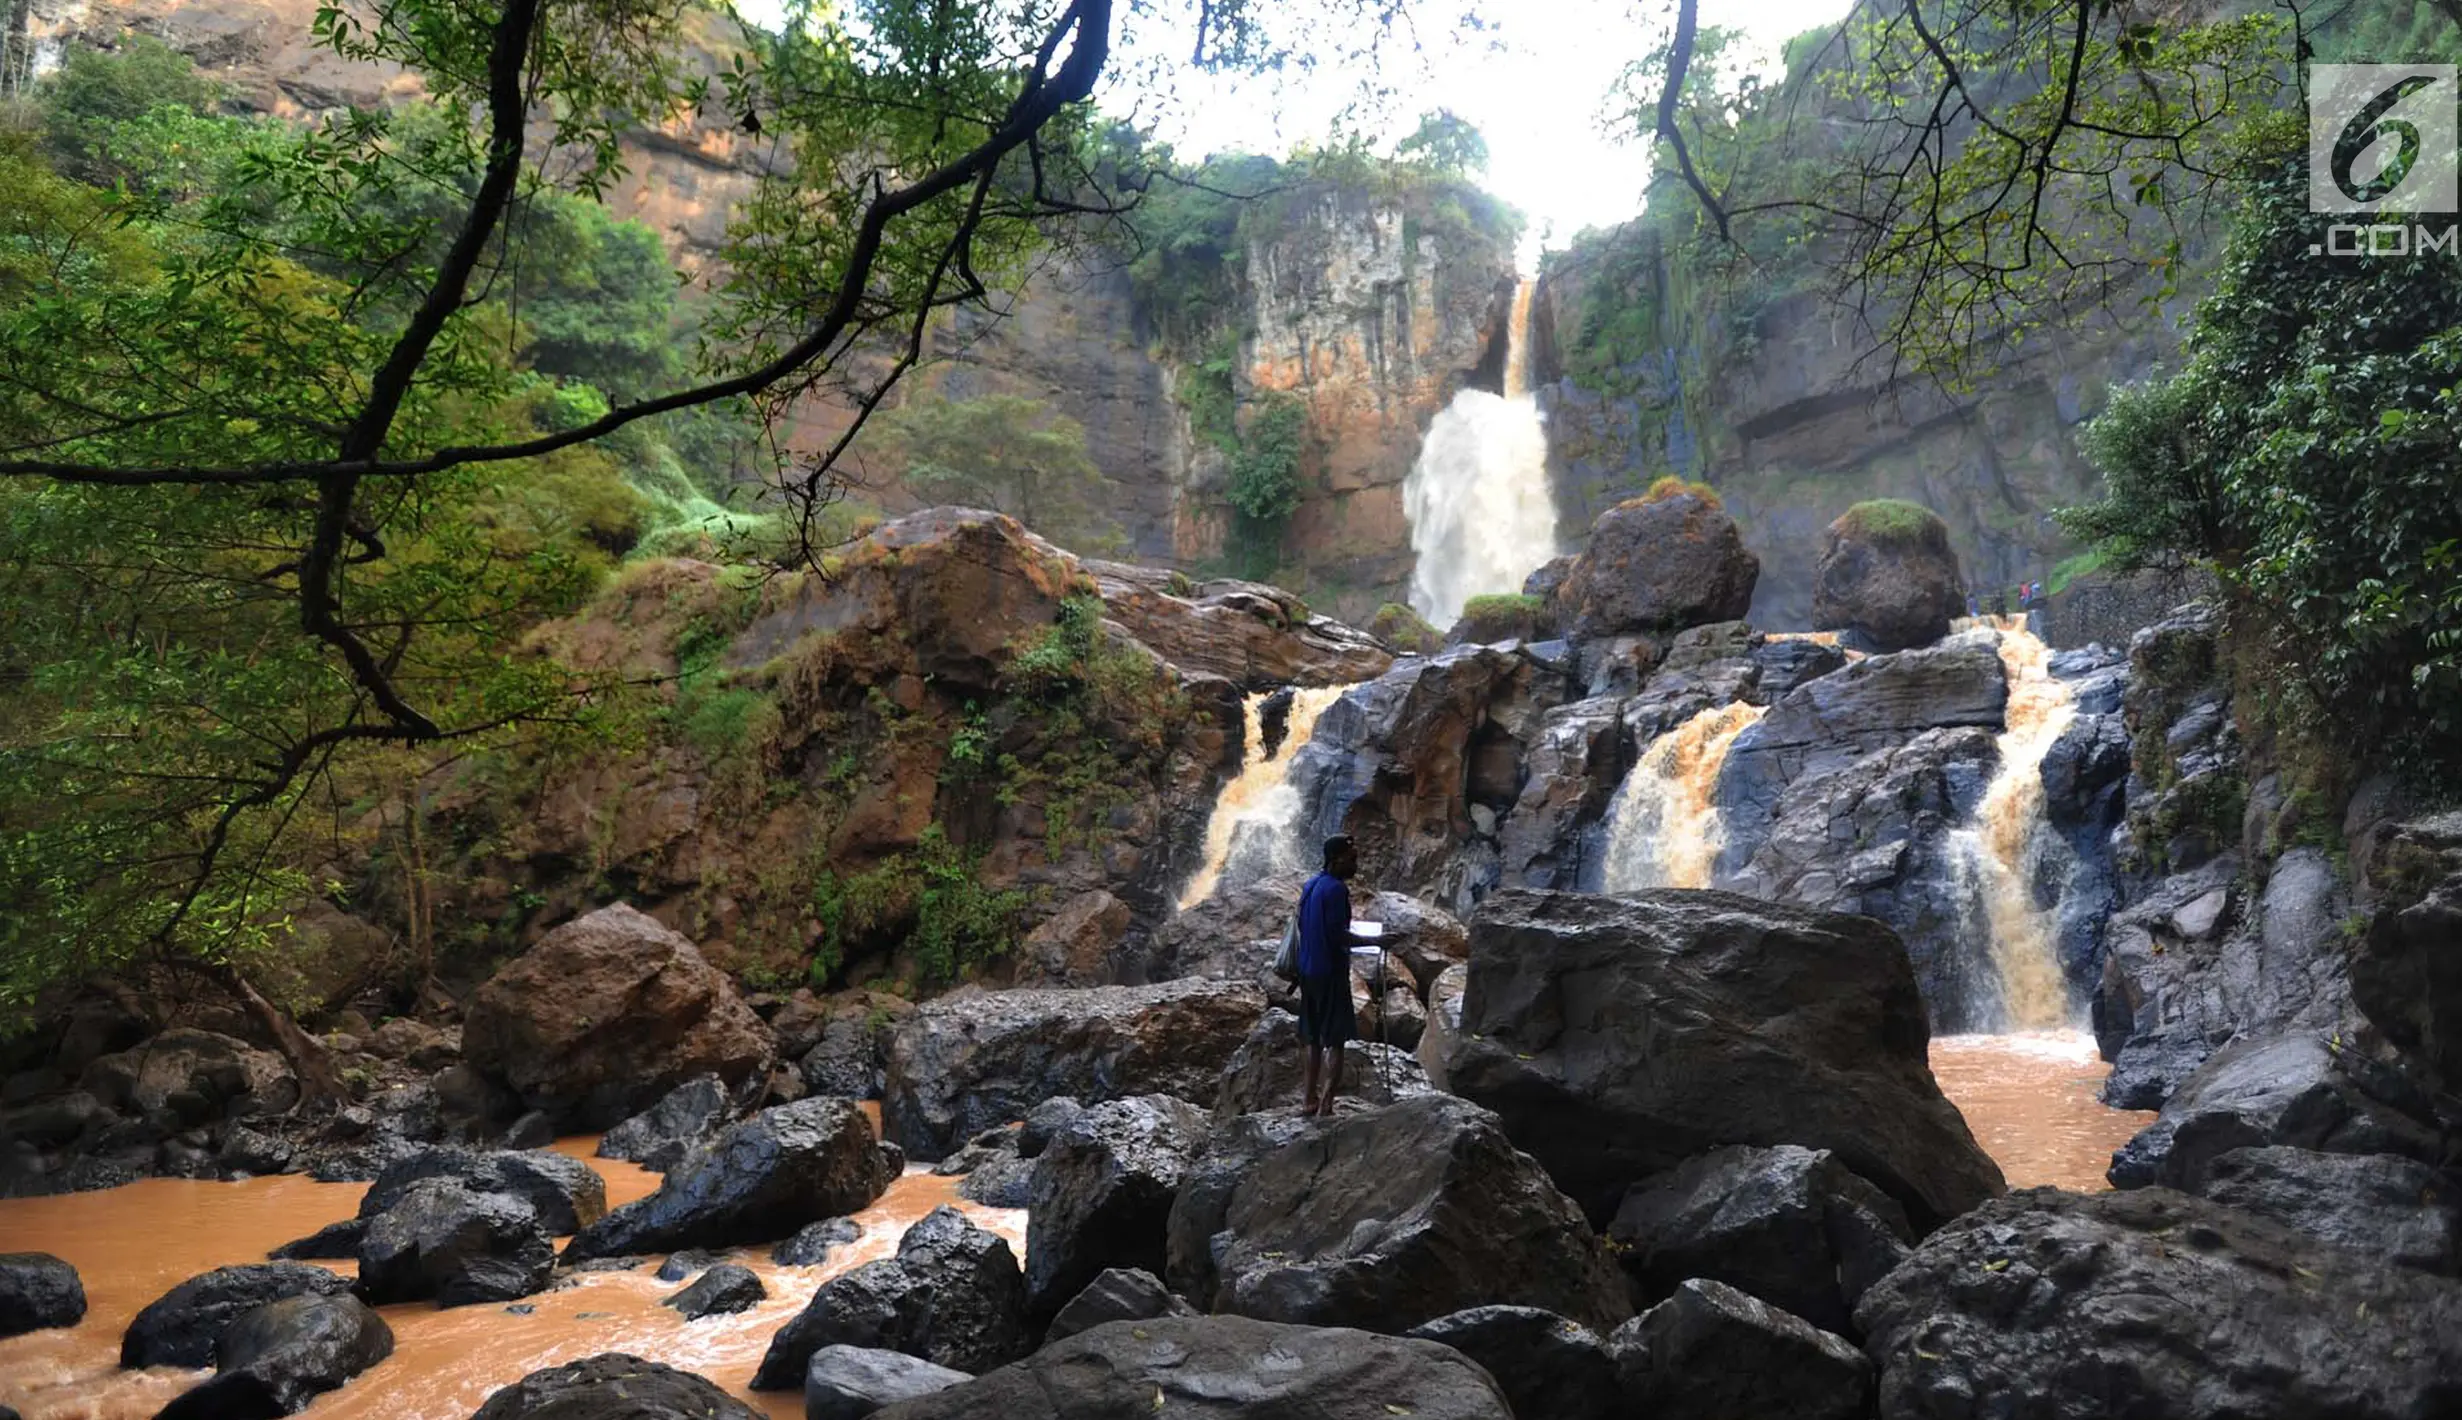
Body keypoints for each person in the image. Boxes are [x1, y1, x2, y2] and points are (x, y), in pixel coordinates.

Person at [1294, 836, 1359, 1118]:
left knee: (1312, 1038)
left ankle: (1308, 1099)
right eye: (1352, 858)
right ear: (1337, 859)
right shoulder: (1336, 890)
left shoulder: (1311, 885)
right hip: (1331, 973)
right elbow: (1338, 935)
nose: (1355, 864)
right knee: (1335, 1040)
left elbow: (1302, 925)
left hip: (1308, 971)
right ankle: (1327, 1105)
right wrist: (1377, 941)